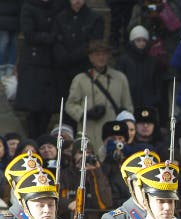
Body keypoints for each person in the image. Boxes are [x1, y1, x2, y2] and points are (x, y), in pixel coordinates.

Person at [65, 41, 135, 162]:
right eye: (97, 54)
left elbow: (128, 107)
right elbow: (70, 105)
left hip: (113, 131)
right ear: (90, 57)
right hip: (89, 129)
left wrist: (123, 118)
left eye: (104, 54)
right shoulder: (80, 79)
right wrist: (85, 113)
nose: (101, 57)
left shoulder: (120, 78)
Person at [16, 0, 60, 137]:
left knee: (47, 107)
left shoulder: (57, 7)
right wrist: (51, 37)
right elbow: (29, 34)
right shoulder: (28, 7)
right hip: (33, 63)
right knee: (32, 108)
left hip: (51, 63)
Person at [53, 0, 104, 102]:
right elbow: (56, 40)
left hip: (84, 67)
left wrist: (73, 56)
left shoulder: (95, 18)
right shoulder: (60, 17)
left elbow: (94, 42)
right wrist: (63, 56)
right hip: (63, 69)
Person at [116, 25, 162, 112]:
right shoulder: (124, 60)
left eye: (144, 40)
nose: (142, 43)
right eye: (138, 40)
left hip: (149, 104)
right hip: (129, 103)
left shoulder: (152, 61)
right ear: (132, 42)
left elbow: (157, 83)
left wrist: (155, 99)